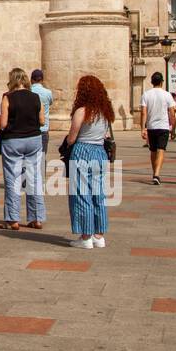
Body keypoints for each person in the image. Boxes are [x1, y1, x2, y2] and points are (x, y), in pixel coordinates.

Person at [63, 75, 113, 249]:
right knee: (98, 194)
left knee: (82, 194)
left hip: (83, 151)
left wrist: (68, 142)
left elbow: (72, 137)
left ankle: (85, 237)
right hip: (100, 153)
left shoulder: (82, 111)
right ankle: (99, 235)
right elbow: (106, 135)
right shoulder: (105, 112)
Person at [0, 67, 45, 230]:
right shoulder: (36, 97)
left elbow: (3, 124)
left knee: (13, 179)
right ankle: (36, 218)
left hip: (13, 140)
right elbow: (42, 121)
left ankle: (13, 218)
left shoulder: (7, 97)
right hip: (33, 139)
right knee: (34, 178)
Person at [138, 72, 176, 186]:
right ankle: (157, 174)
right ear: (162, 82)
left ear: (151, 82)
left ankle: (155, 173)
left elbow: (143, 113)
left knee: (153, 151)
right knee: (161, 150)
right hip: (163, 126)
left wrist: (142, 128)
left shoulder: (146, 94)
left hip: (151, 127)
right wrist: (173, 128)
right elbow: (172, 113)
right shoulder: (167, 95)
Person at [30, 68, 54, 156]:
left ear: (31, 79)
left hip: (31, 129)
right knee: (42, 158)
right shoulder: (48, 92)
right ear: (42, 80)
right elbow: (50, 102)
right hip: (43, 129)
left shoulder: (29, 91)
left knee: (30, 159)